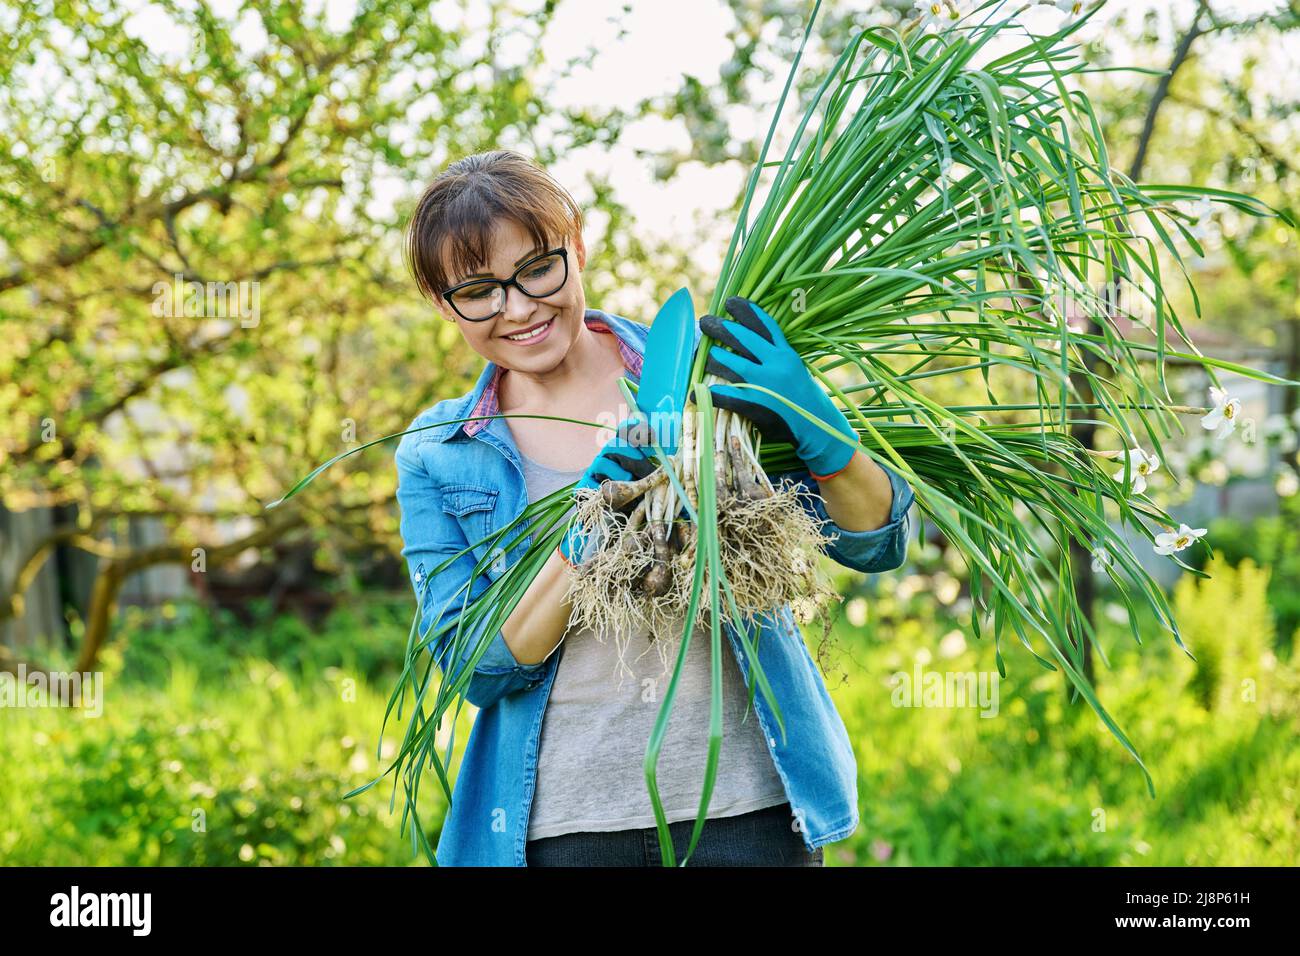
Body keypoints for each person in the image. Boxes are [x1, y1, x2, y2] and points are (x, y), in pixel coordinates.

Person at [394, 148, 915, 867]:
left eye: (537, 268)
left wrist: (820, 429)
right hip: (563, 828)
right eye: (478, 290)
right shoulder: (439, 452)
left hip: (749, 810)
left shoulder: (698, 375)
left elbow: (876, 542)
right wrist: (589, 534)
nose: (516, 308)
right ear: (442, 302)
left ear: (576, 244)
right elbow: (478, 668)